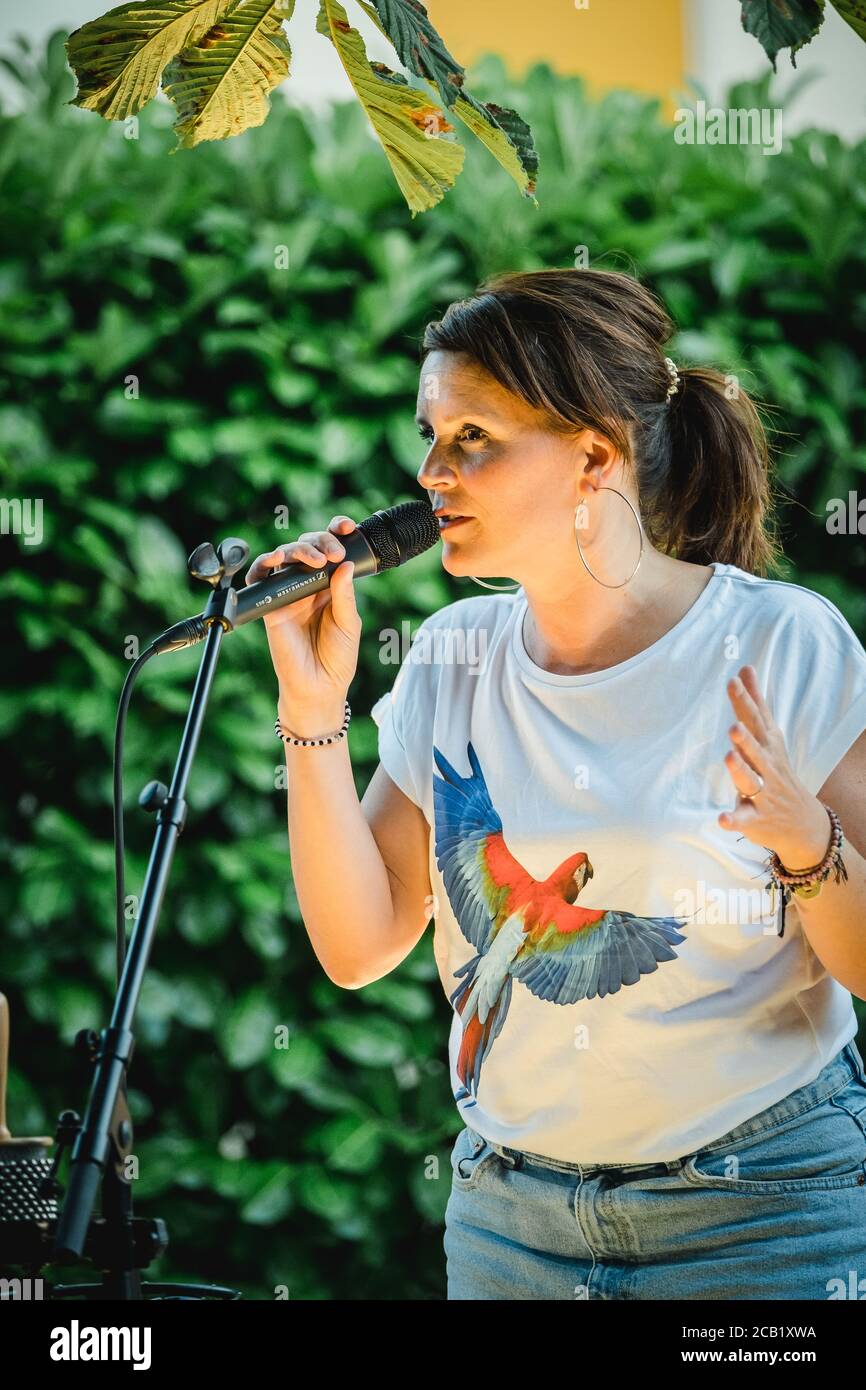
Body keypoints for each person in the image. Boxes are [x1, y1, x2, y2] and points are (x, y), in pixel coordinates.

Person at [246, 267, 866, 1300]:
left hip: (756, 1216)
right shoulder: (450, 655)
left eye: (471, 439)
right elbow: (359, 947)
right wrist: (312, 714)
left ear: (592, 455)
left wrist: (807, 846)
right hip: (511, 1225)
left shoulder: (777, 640)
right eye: (428, 436)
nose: (431, 471)